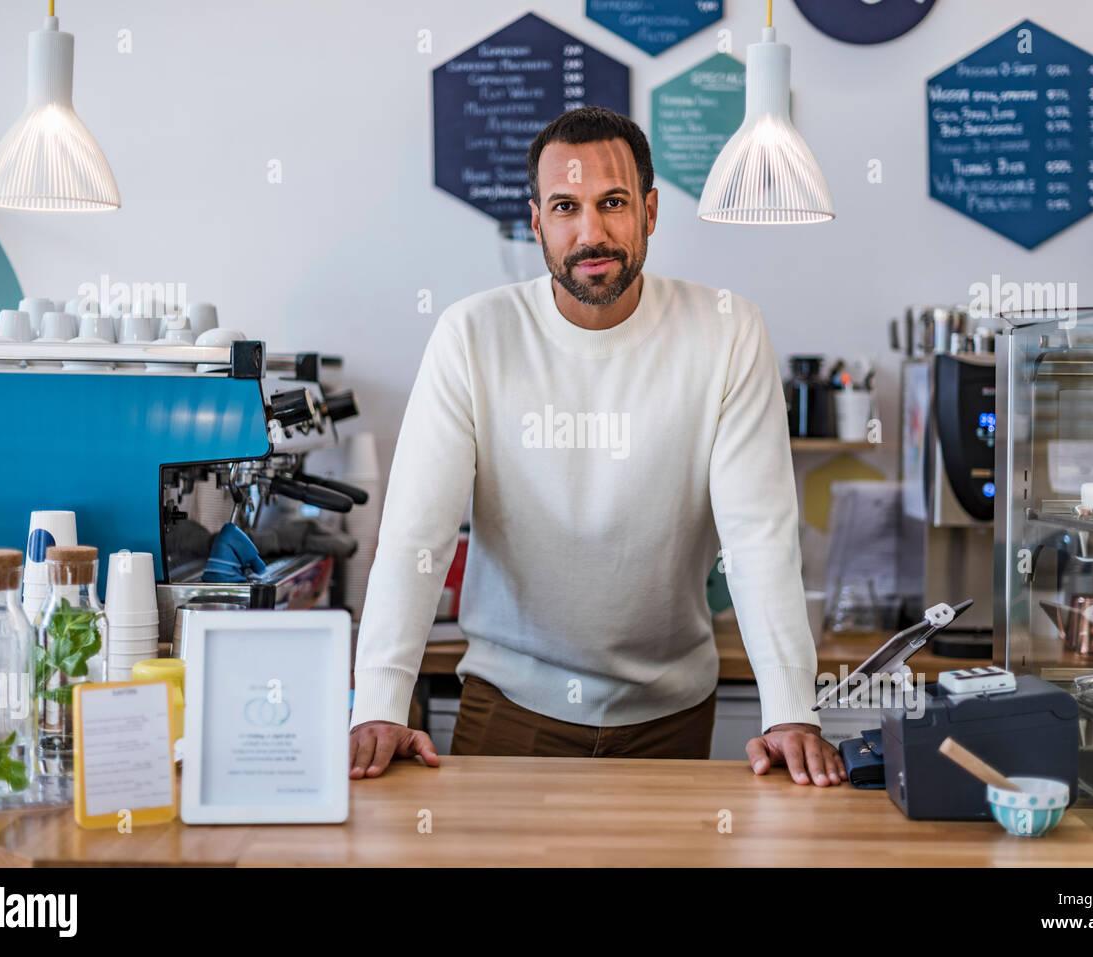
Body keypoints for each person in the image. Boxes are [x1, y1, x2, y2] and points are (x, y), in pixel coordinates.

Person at [348, 106, 844, 786]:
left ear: (649, 210)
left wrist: (791, 708)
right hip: (509, 711)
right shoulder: (472, 335)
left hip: (670, 716)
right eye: (565, 206)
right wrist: (376, 702)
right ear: (537, 222)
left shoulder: (727, 331)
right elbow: (415, 535)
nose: (591, 231)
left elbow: (757, 534)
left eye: (612, 203)